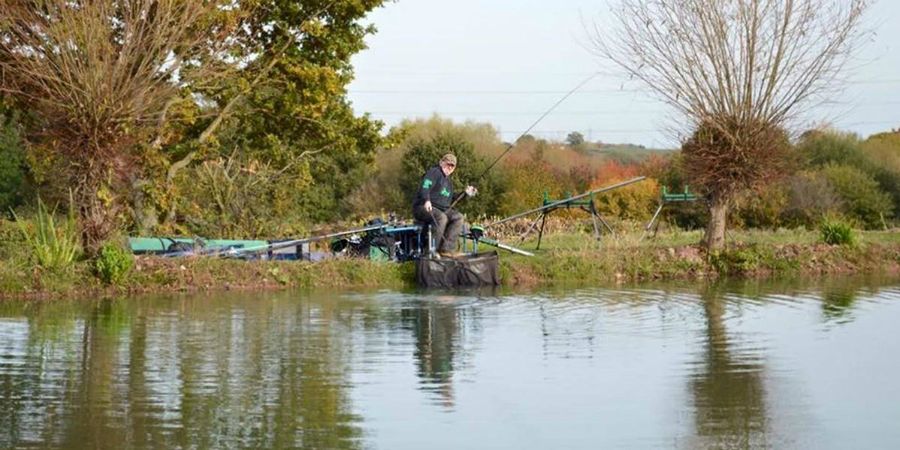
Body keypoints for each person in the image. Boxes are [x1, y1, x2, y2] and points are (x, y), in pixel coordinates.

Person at [412, 153, 477, 257]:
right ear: (441, 162)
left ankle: (446, 249)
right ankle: (431, 251)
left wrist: (465, 193)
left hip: (441, 209)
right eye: (448, 164)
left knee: (458, 217)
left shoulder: (448, 183)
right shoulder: (434, 172)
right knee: (441, 218)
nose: (449, 167)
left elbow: (451, 198)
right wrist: (426, 200)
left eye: (452, 166)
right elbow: (425, 186)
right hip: (422, 207)